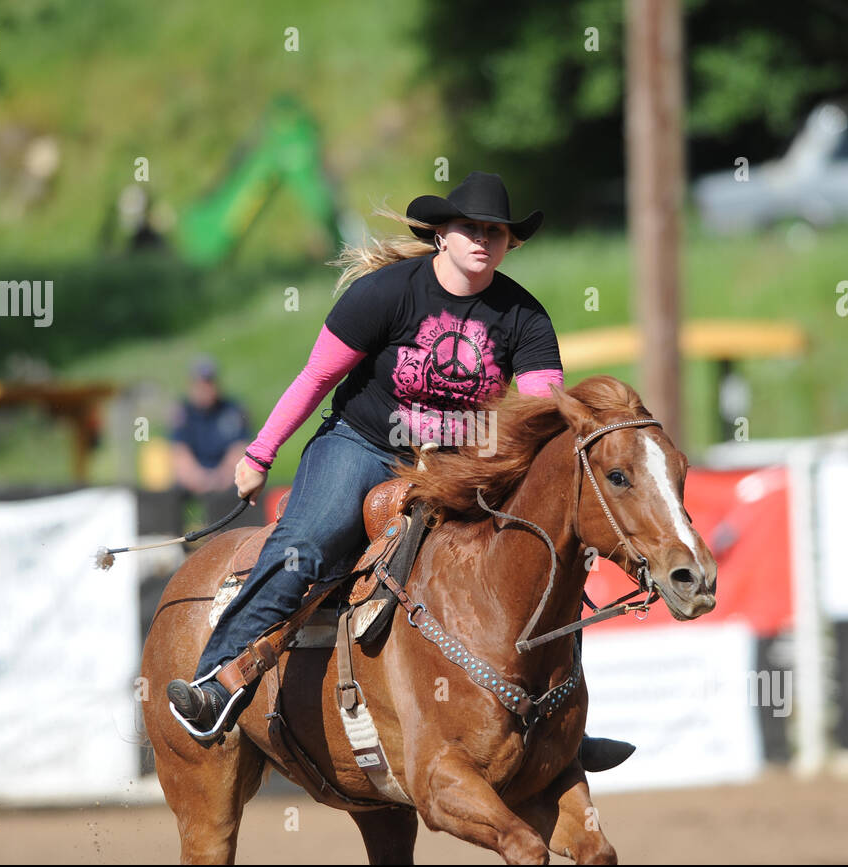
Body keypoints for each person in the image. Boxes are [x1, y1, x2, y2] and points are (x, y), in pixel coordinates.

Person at [166, 172, 633, 772]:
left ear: (509, 243)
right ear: (442, 233)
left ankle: (562, 722)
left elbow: (544, 417)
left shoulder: (525, 317)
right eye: (470, 228)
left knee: (544, 554)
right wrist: (259, 455)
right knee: (305, 546)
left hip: (463, 461)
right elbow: (315, 379)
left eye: (495, 231)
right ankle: (216, 684)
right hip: (361, 444)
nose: (482, 239)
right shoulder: (386, 293)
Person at [169, 357, 251, 496]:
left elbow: (239, 450)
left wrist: (221, 478)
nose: (205, 389)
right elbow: (180, 455)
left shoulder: (233, 410)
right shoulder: (183, 413)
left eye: (209, 383)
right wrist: (199, 479)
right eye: (200, 385)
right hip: (192, 480)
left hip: (227, 479)